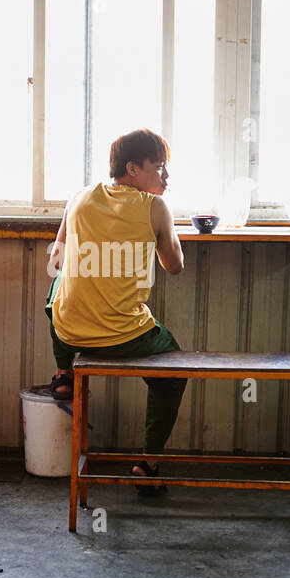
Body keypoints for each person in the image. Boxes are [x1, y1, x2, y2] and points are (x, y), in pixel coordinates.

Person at [44, 128, 187, 495]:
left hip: (71, 332)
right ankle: (148, 462)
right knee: (173, 371)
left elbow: (57, 254)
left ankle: (63, 371)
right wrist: (157, 233)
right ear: (133, 169)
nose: (166, 177)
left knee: (57, 286)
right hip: (126, 338)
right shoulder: (155, 207)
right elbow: (174, 266)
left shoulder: (79, 197)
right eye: (159, 167)